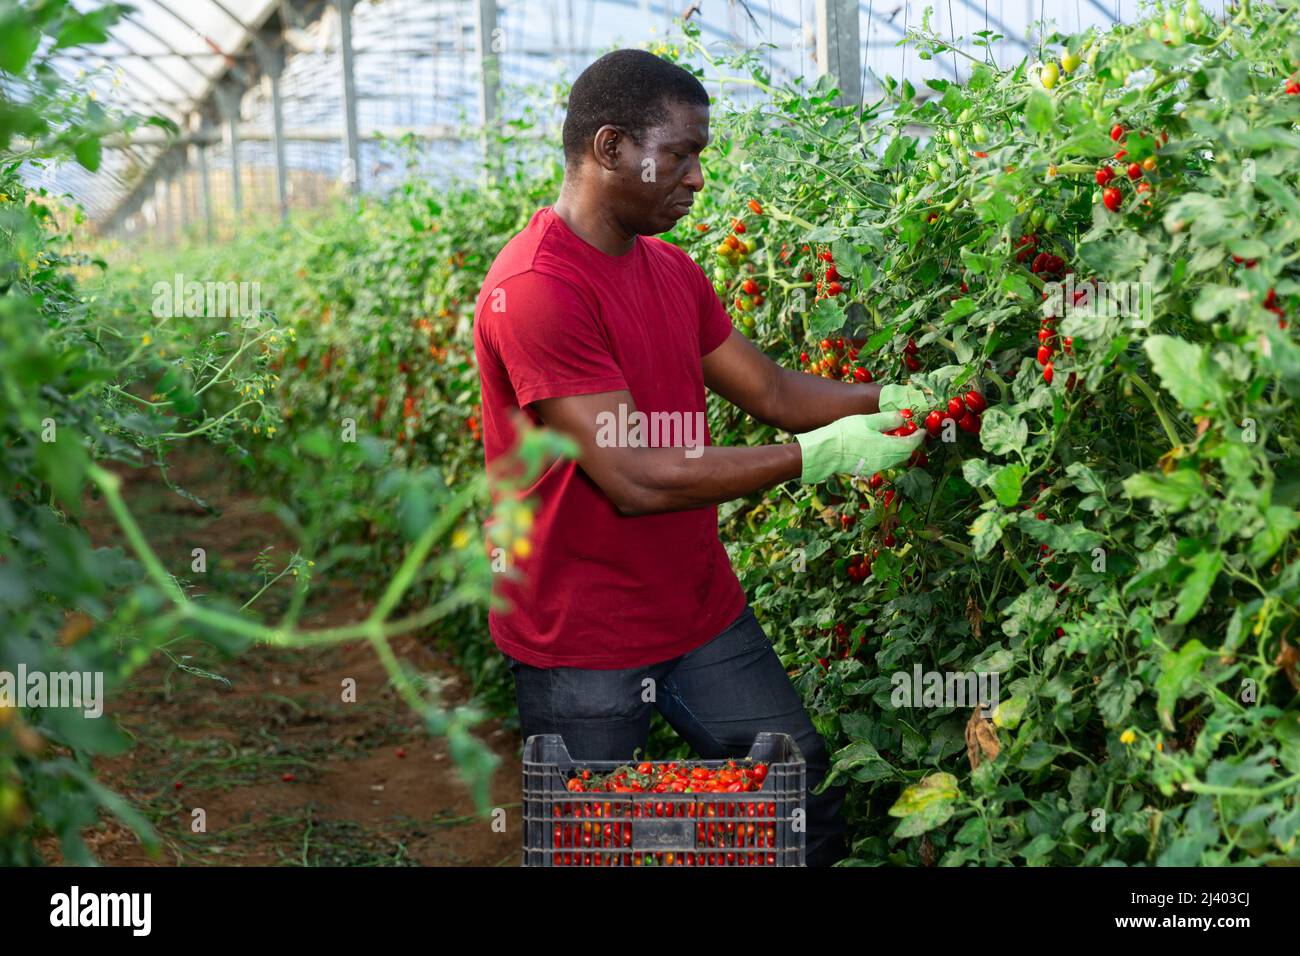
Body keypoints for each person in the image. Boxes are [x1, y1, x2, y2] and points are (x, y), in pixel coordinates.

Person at [472, 48, 924, 867]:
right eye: (680, 155)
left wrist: (889, 401)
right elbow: (637, 475)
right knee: (589, 845)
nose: (697, 179)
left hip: (696, 608)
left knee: (799, 795)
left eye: (699, 157)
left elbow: (775, 391)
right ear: (610, 148)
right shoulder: (538, 287)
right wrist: (813, 460)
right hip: (582, 633)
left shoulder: (672, 271)